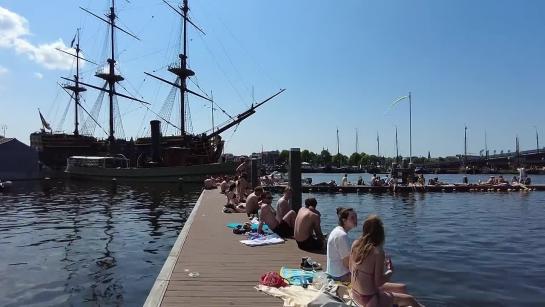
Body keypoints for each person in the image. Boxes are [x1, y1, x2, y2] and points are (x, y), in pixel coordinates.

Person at [350, 215, 423, 307]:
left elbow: (350, 268)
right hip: (369, 299)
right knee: (410, 300)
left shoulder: (355, 244)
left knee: (402, 288)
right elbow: (378, 282)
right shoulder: (378, 252)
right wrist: (390, 271)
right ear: (380, 233)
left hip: (355, 294)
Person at [326, 207, 357, 282]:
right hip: (340, 276)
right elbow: (347, 263)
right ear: (344, 220)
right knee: (369, 278)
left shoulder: (337, 230)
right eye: (352, 218)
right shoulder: (342, 235)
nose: (355, 220)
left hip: (334, 272)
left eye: (355, 217)